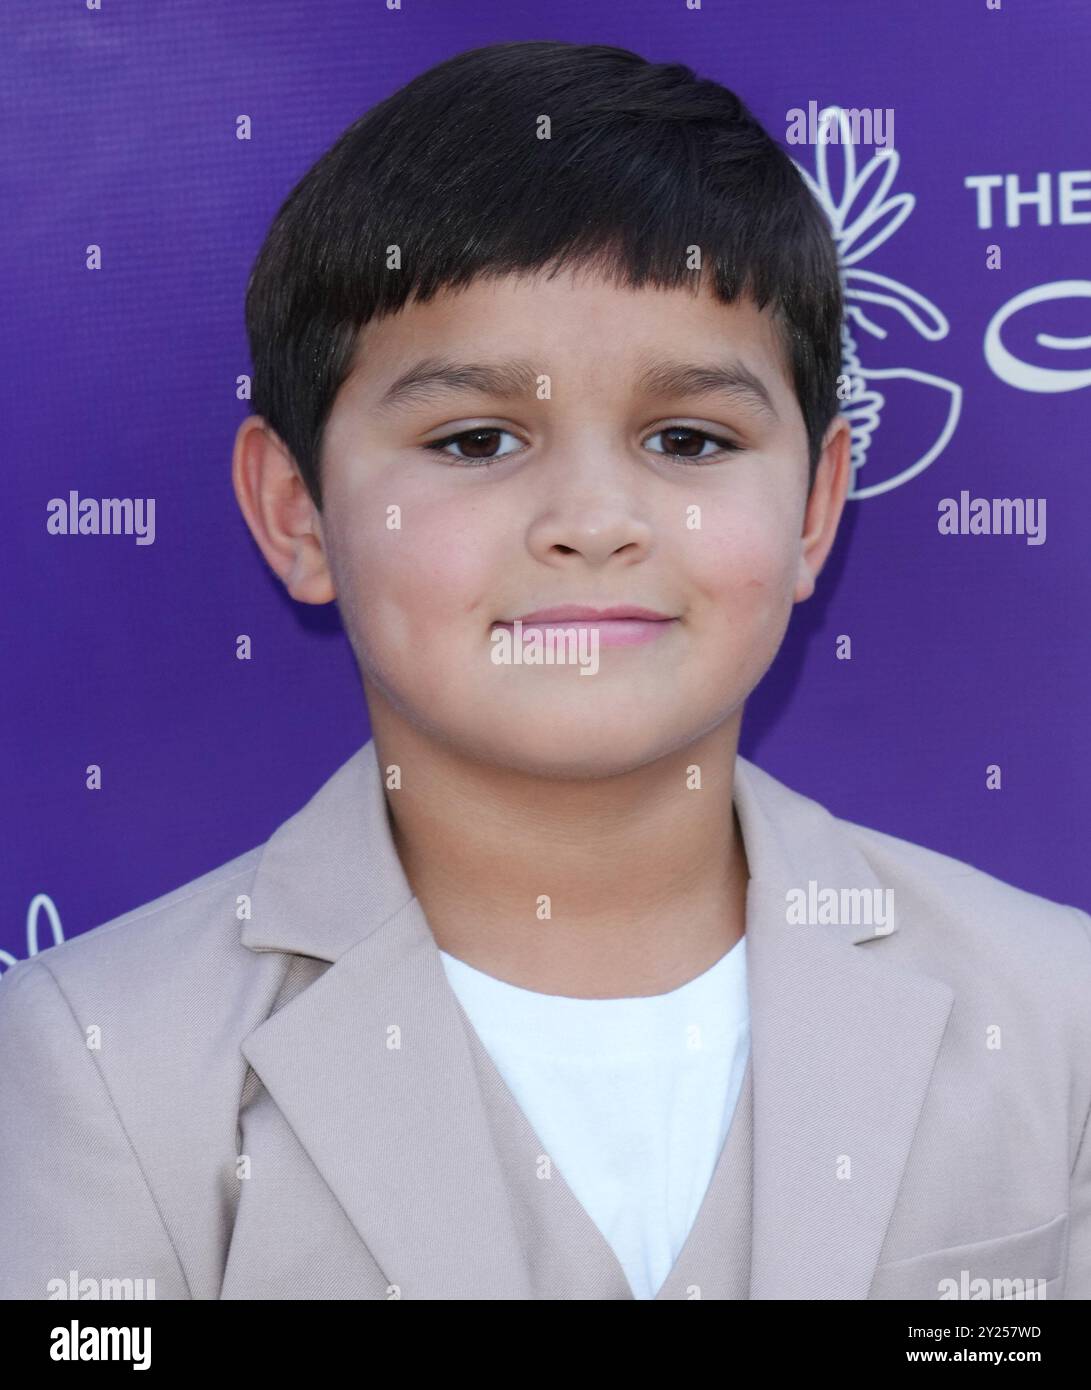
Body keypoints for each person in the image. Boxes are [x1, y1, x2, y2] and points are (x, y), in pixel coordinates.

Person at [2, 40, 1089, 1302]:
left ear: (812, 508)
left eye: (687, 438)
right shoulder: (98, 1058)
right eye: (474, 439)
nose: (590, 516)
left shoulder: (1053, 1014)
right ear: (297, 511)